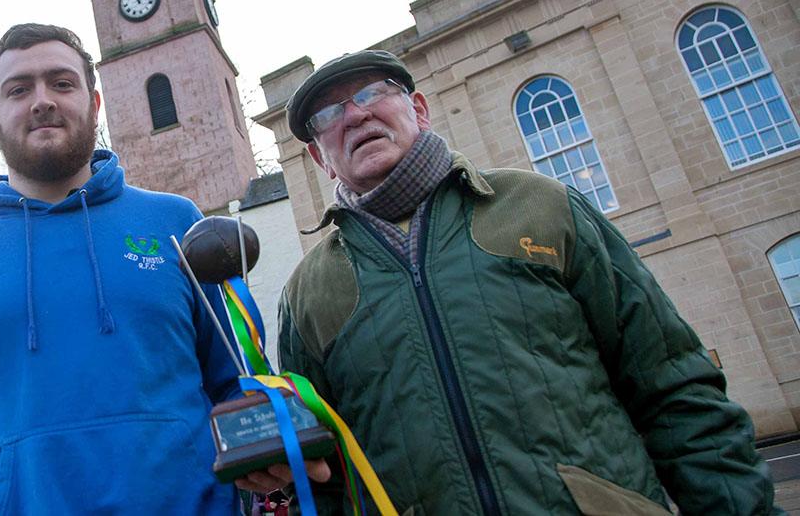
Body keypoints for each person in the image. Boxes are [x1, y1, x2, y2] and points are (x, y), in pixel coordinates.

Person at [271, 49, 783, 514]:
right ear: (319, 156)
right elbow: (321, 477)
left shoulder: (542, 206)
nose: (355, 114)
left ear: (419, 109)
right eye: (329, 114)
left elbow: (672, 385)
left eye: (371, 93)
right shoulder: (307, 293)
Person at [0, 23, 243, 514]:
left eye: (62, 82)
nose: (42, 100)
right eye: (19, 89)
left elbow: (236, 383)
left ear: (94, 103)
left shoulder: (176, 223)